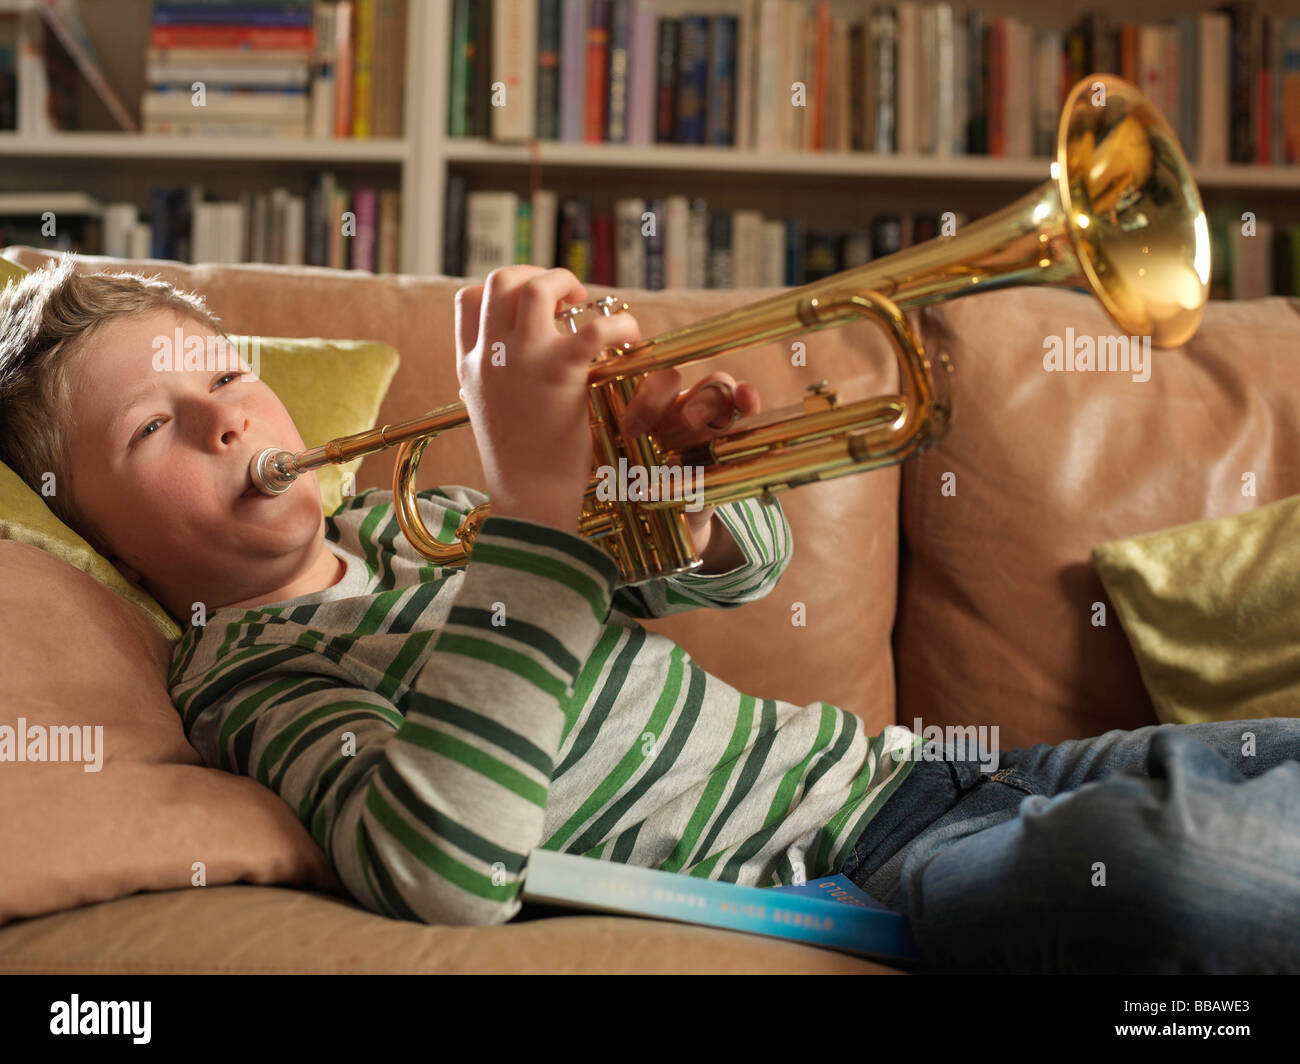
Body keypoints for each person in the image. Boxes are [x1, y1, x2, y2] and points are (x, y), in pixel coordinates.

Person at [1, 255, 1297, 974]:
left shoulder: (408, 533)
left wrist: (675, 481)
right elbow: (441, 870)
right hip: (856, 872)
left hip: (944, 772)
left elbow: (732, 577)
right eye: (152, 429)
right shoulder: (251, 678)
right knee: (1185, 875)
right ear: (97, 529)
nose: (224, 415)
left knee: (1258, 761)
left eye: (225, 376)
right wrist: (545, 518)